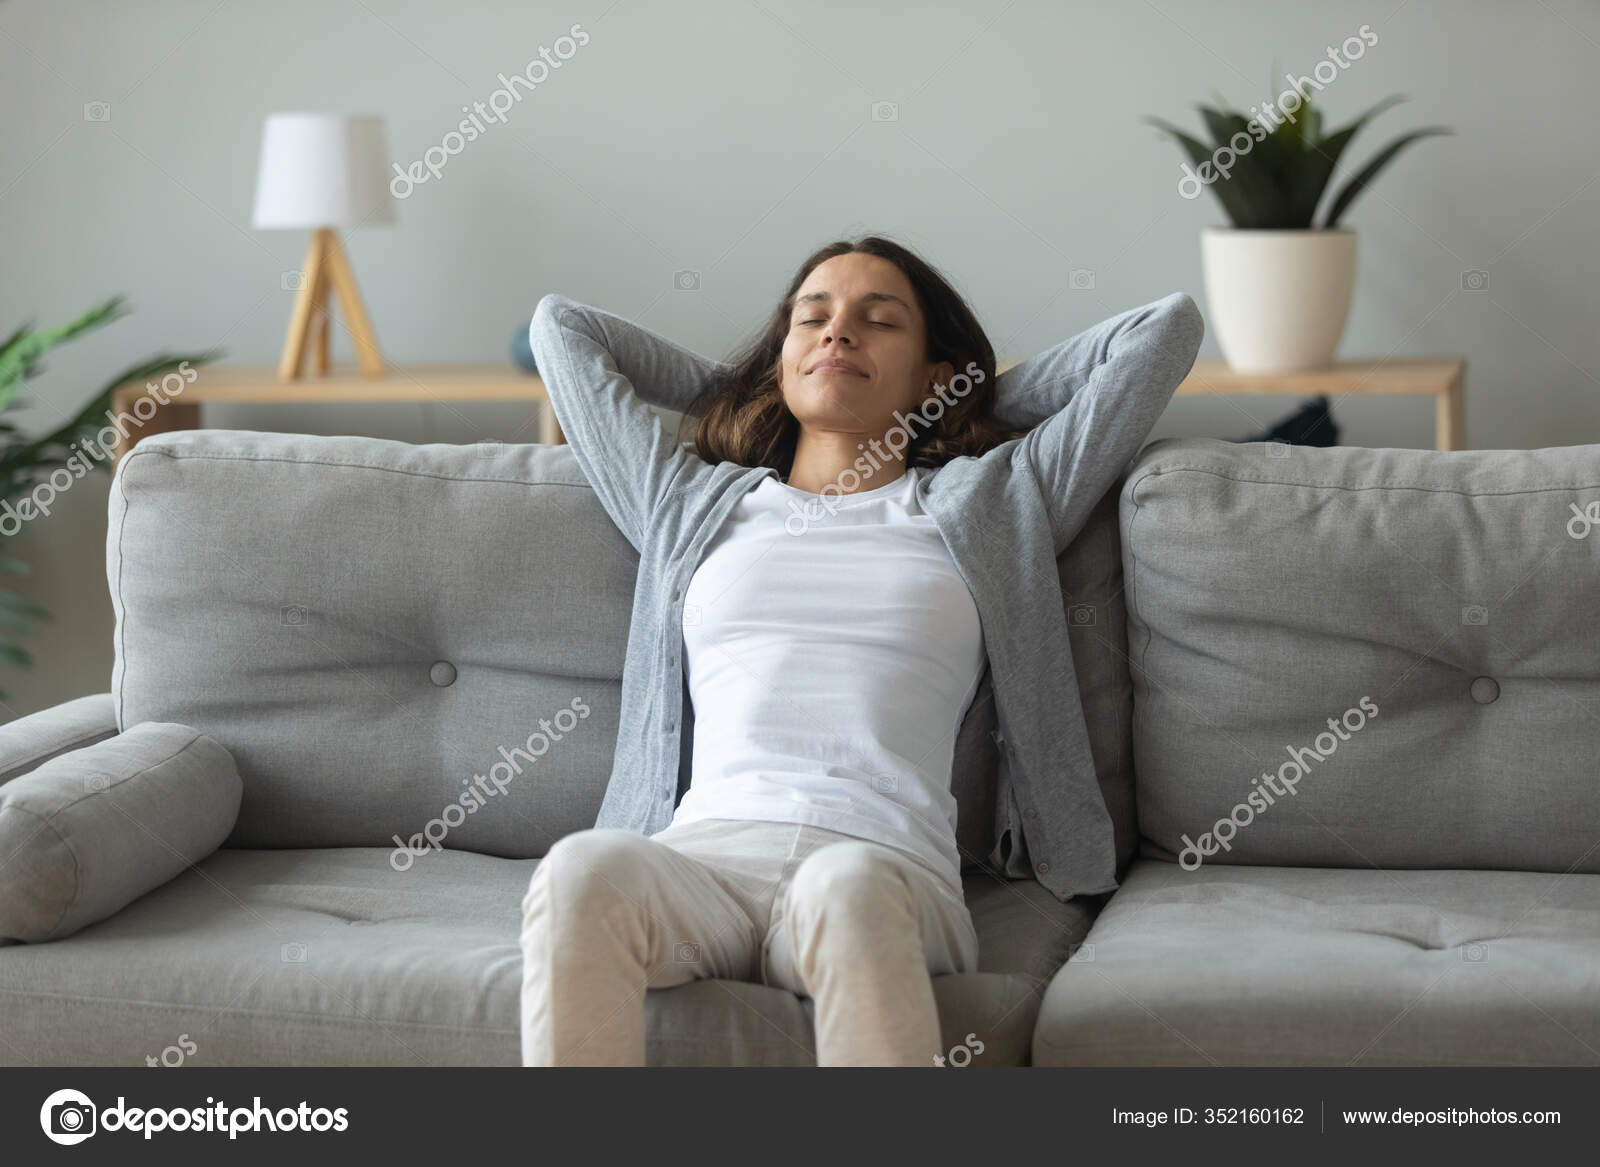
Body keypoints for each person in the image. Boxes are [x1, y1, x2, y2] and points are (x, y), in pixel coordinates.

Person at [521, 235, 1203, 1066]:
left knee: (839, 888)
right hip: (701, 862)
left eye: (876, 323)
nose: (837, 333)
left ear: (934, 373)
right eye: (812, 320)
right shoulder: (688, 503)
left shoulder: (995, 503)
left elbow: (1163, 331)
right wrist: (766, 382)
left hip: (881, 866)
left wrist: (966, 400)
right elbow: (563, 329)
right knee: (578, 873)